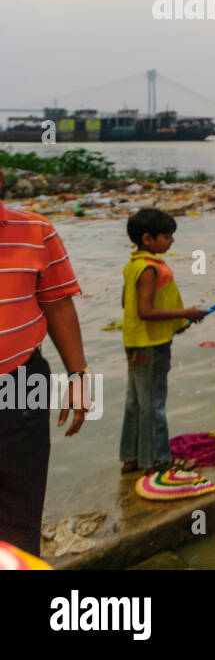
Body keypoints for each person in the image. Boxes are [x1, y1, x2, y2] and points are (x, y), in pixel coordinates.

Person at [0, 170, 90, 556]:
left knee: (20, 508)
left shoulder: (37, 231)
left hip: (21, 380)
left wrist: (80, 377)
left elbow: (58, 304)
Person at [120, 208, 206, 475]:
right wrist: (185, 313)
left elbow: (127, 304)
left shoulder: (133, 264)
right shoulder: (149, 268)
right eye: (167, 236)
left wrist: (175, 325)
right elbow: (145, 311)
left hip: (136, 341)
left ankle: (132, 458)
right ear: (148, 239)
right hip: (151, 344)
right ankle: (157, 460)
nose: (172, 241)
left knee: (136, 401)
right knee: (154, 403)